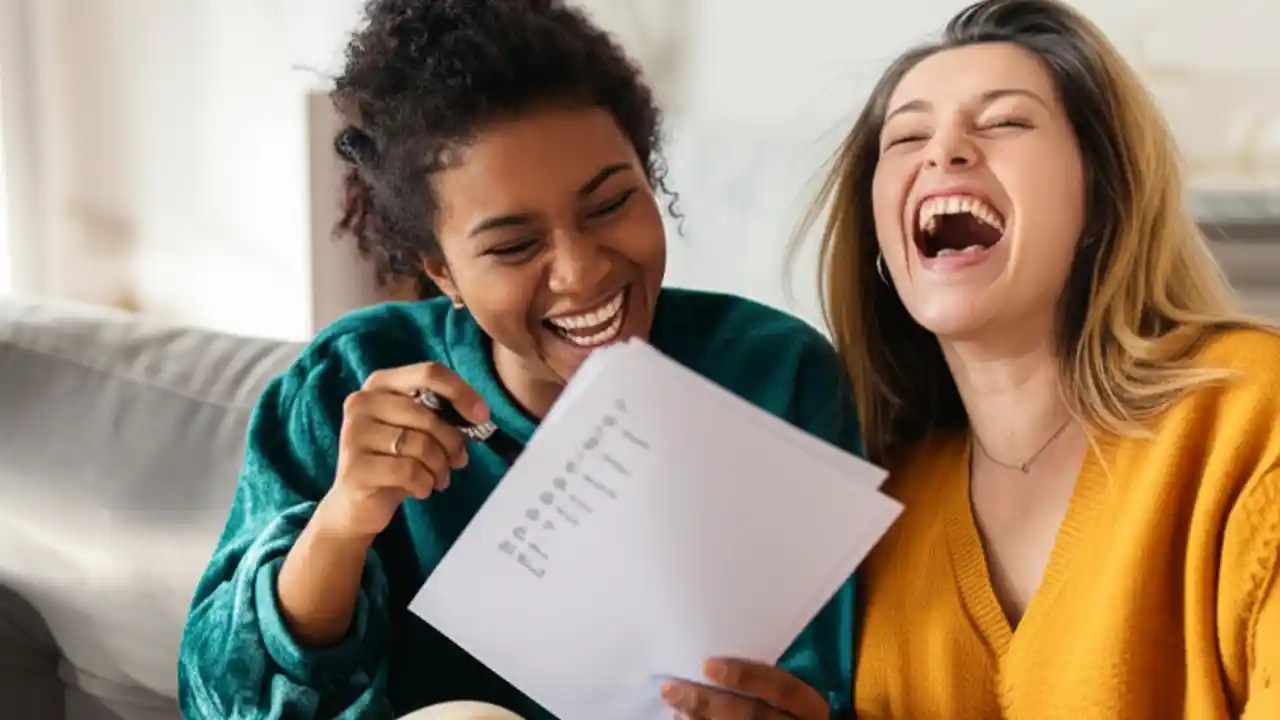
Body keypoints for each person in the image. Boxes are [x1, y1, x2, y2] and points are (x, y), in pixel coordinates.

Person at [178, 1, 859, 718]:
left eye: (611, 204)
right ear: (439, 271)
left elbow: (847, 680)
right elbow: (220, 702)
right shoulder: (344, 383)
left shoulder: (777, 378)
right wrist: (345, 522)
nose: (582, 272)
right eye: (512, 246)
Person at [806, 0, 1280, 716]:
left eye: (1004, 121)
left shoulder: (1250, 416)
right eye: (905, 138)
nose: (944, 151)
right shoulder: (874, 505)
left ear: (1103, 194)